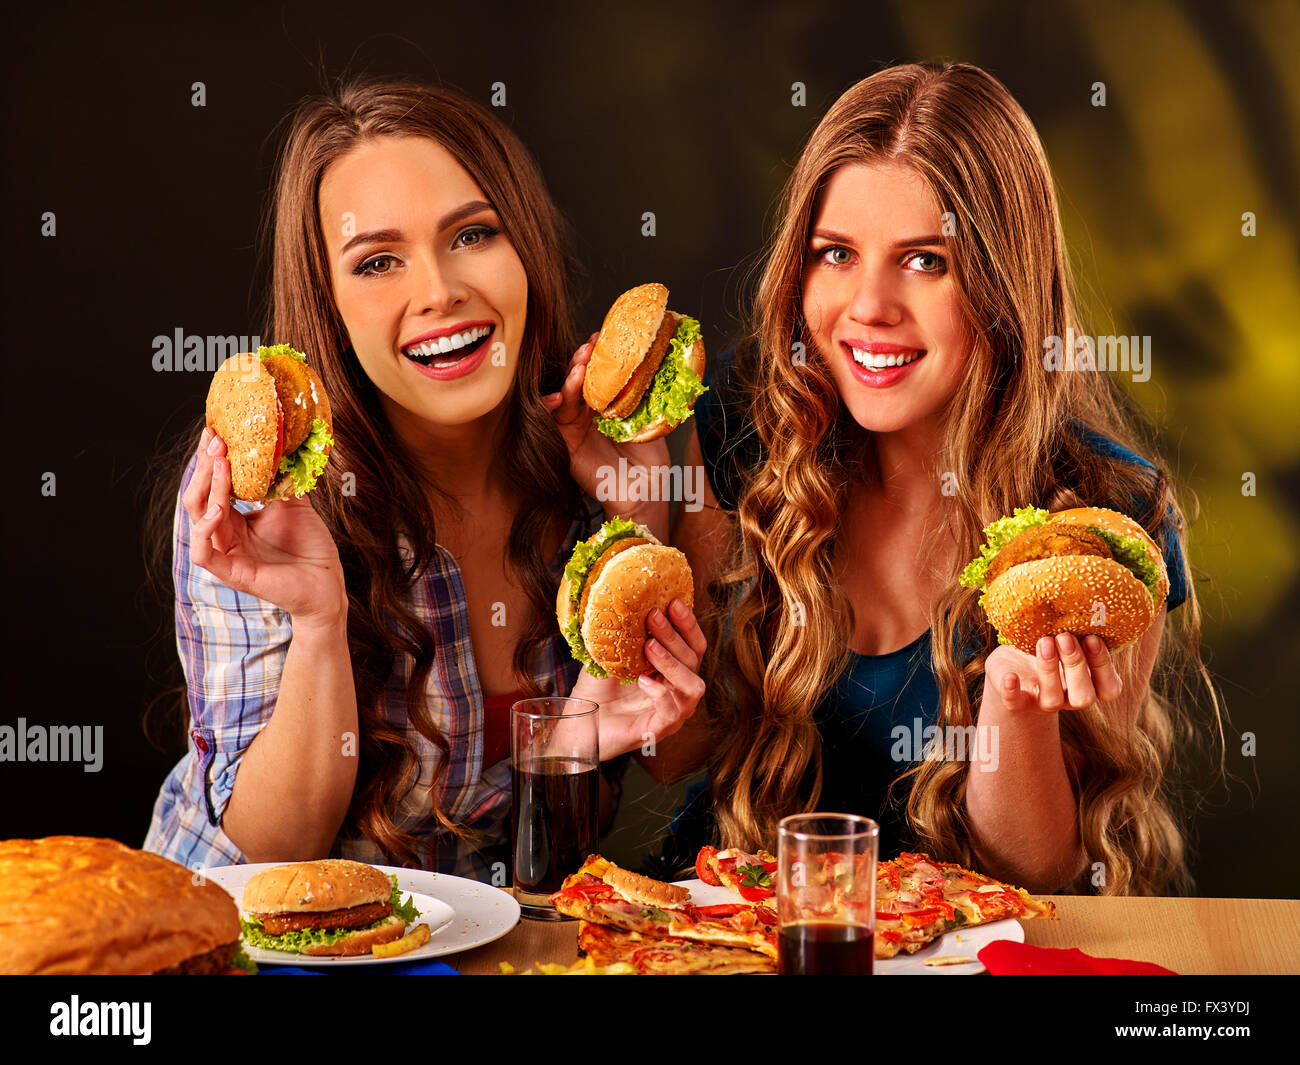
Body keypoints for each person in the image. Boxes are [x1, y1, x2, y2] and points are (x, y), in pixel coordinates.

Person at [667, 62, 1219, 895]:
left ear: (1004, 284)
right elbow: (676, 749)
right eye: (837, 255)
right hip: (742, 928)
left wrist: (1013, 698)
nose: (869, 306)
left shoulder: (1106, 522)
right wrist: (628, 493)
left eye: (926, 261)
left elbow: (1036, 867)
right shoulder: (746, 434)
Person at [145, 77, 706, 878]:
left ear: (526, 250)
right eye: (377, 261)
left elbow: (582, 823)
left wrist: (639, 526)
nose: (439, 292)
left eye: (473, 235)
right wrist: (317, 616)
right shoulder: (257, 501)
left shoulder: (598, 472)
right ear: (327, 307)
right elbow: (273, 853)